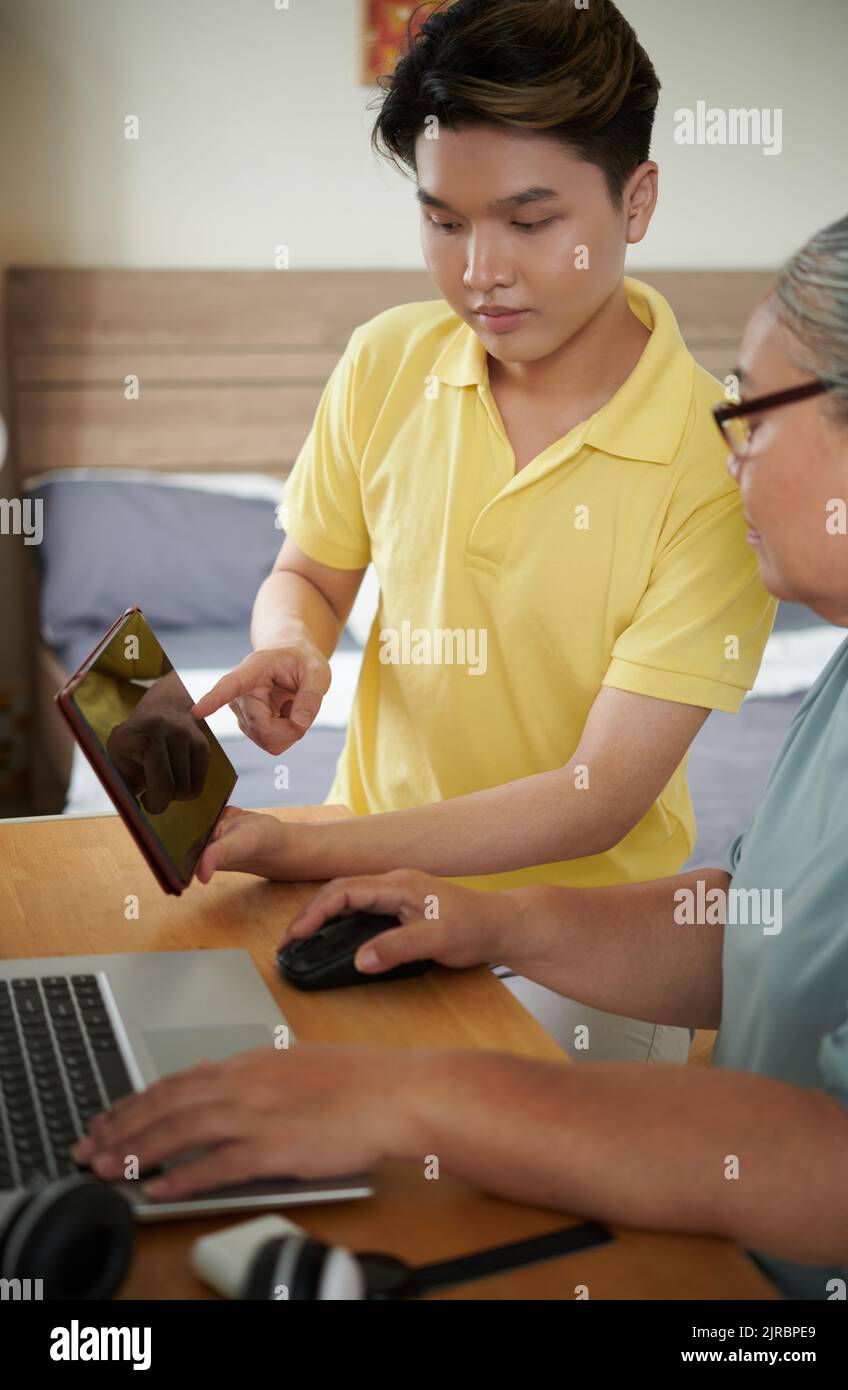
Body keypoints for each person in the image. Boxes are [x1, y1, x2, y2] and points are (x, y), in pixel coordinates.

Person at [76, 210, 848, 1300]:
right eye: (443, 217)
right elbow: (751, 922)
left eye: (757, 412)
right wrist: (492, 917)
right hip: (726, 1231)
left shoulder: (691, 473)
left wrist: (417, 1096)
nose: (727, 441)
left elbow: (846, 1167)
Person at [189, 0, 775, 1065]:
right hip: (362, 895)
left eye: (528, 220)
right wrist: (292, 642)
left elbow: (594, 799)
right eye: (444, 222)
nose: (478, 272)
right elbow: (310, 572)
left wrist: (299, 846)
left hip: (585, 946)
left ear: (633, 199)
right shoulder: (386, 360)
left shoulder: (721, 464)